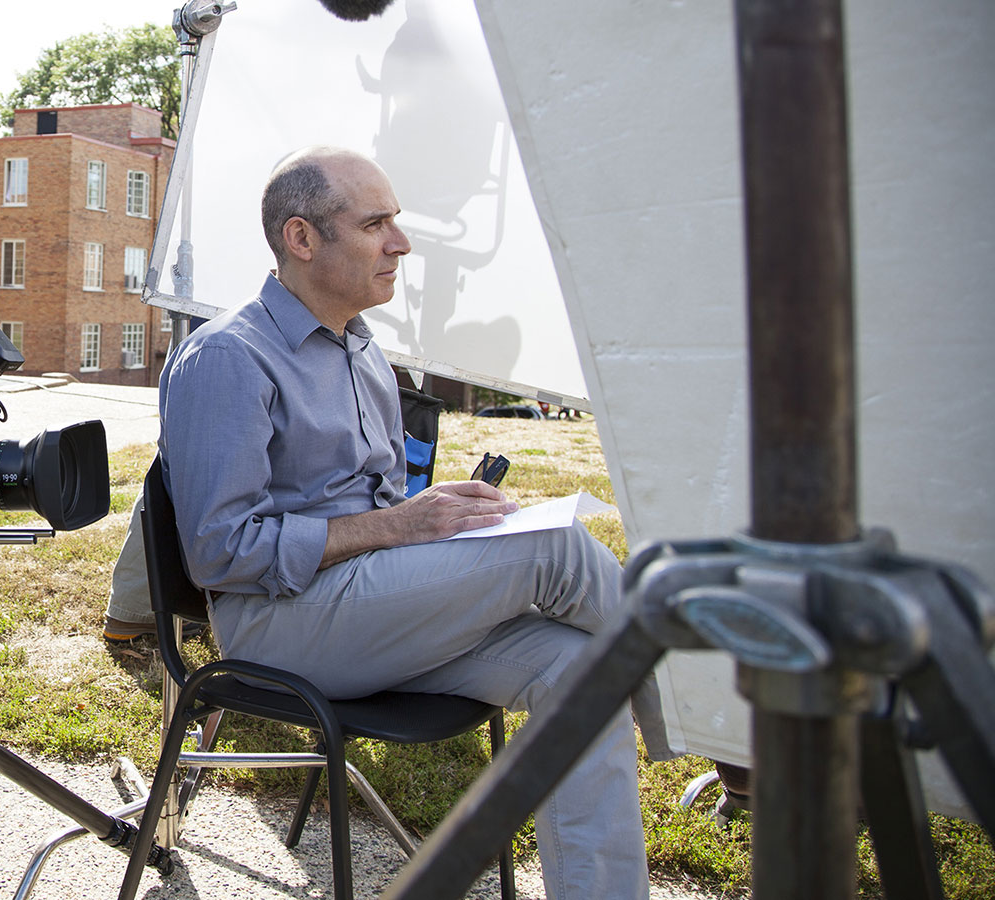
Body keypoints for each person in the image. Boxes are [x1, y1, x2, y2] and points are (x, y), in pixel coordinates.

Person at [157, 146, 675, 899]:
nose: (400, 243)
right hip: (278, 625)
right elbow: (219, 554)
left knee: (582, 668)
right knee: (554, 549)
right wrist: (399, 529)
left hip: (367, 609)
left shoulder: (364, 351)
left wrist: (446, 523)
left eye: (395, 222)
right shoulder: (228, 360)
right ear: (302, 239)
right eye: (376, 224)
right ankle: (719, 727)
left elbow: (383, 513)